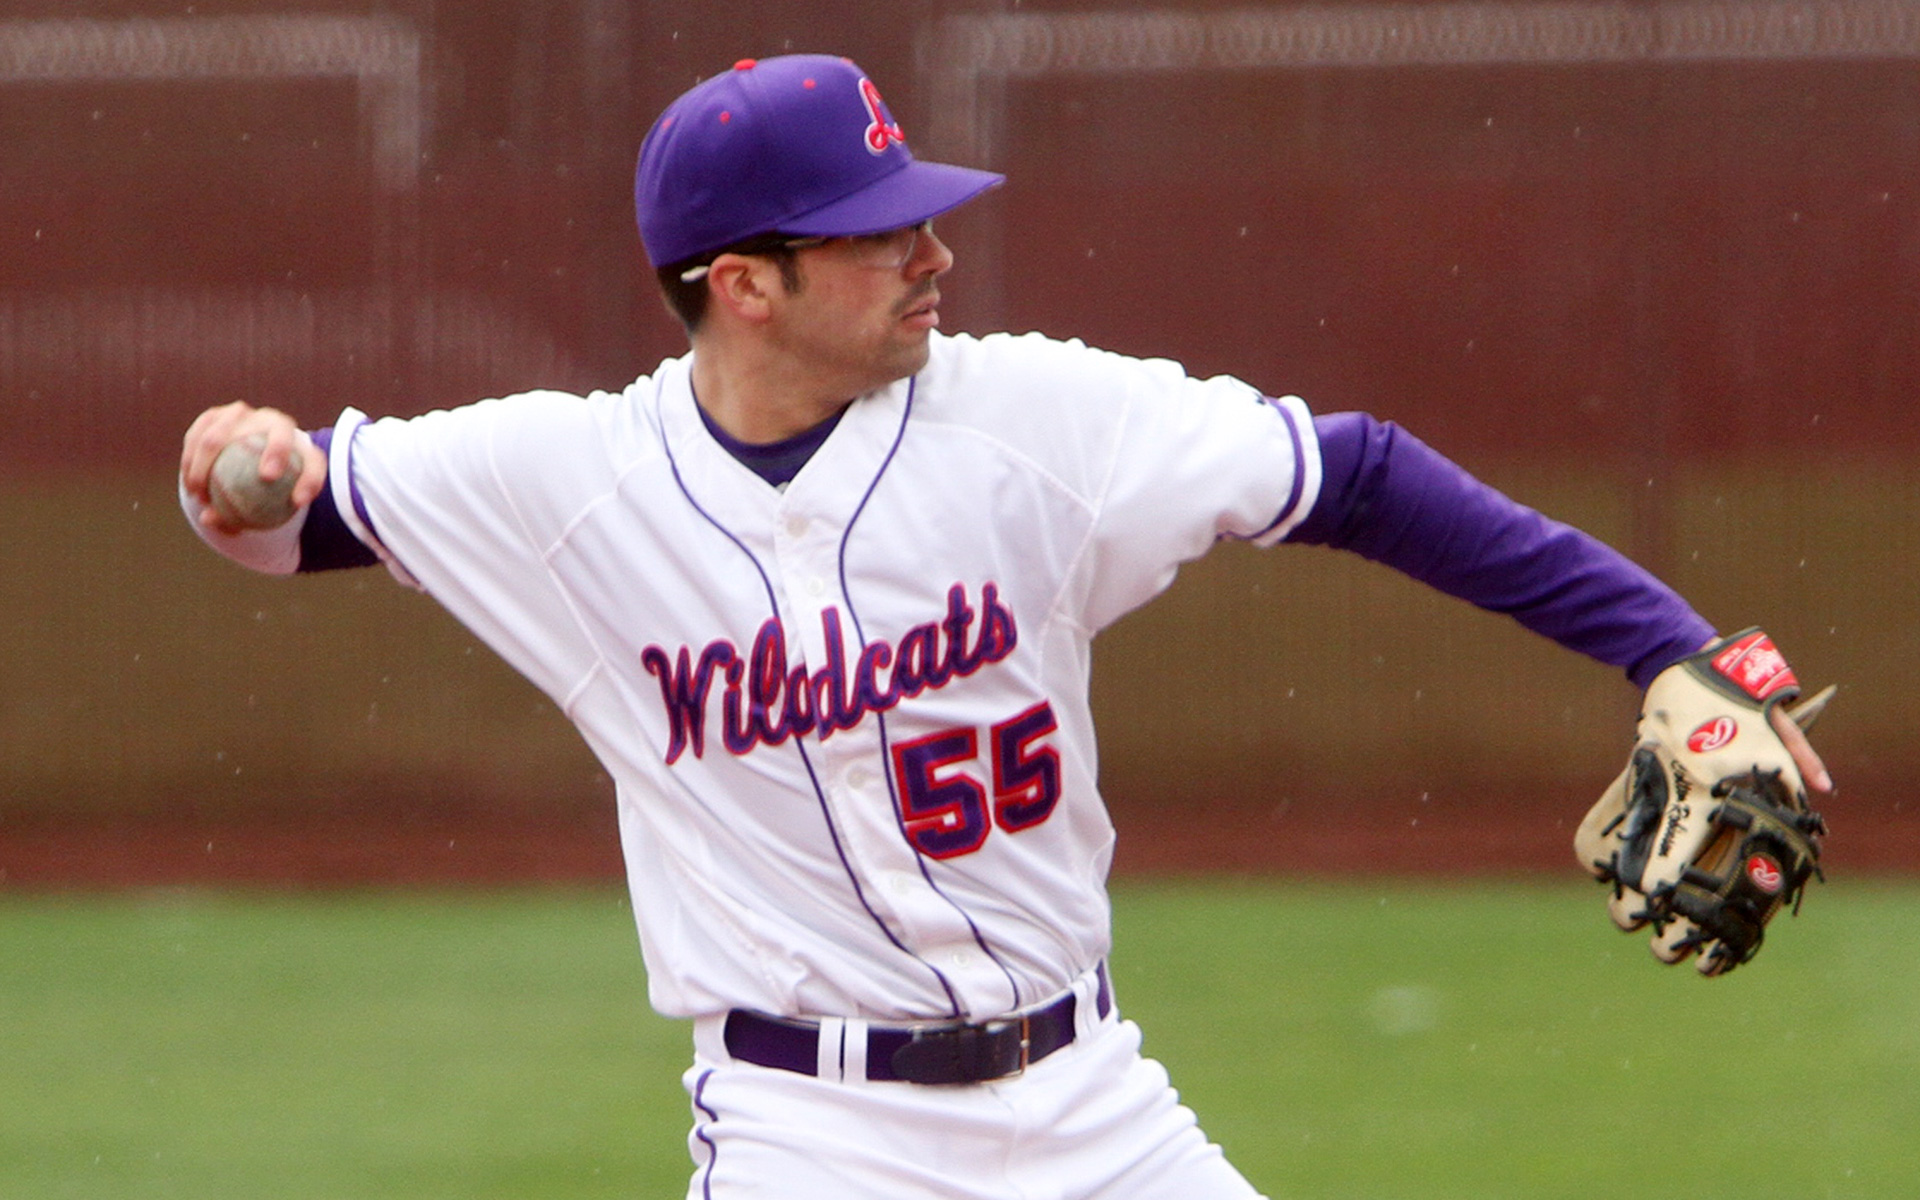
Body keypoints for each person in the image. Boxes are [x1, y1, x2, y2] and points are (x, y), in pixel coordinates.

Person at [179, 53, 1830, 1199]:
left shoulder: (1038, 421)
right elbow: (306, 511)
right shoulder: (570, 484)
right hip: (810, 1132)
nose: (933, 248)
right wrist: (225, 484)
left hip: (1090, 1102)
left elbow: (1358, 476)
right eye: (877, 229)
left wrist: (1666, 644)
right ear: (741, 282)